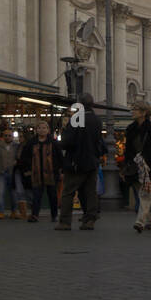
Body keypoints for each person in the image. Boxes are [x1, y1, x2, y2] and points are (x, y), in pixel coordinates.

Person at [58, 94, 106, 231]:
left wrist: (63, 142)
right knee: (90, 192)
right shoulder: (97, 120)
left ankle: (65, 222)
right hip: (92, 161)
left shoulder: (77, 119)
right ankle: (89, 220)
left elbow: (68, 141)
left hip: (76, 161)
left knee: (68, 192)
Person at [125, 101, 151, 232]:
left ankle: (140, 222)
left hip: (150, 167)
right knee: (144, 194)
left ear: (144, 113)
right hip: (135, 167)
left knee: (144, 194)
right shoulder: (130, 129)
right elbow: (128, 149)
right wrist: (126, 164)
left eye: (135, 109)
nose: (132, 111)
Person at [26, 121, 63, 224]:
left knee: (53, 195)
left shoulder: (54, 143)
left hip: (51, 173)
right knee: (36, 195)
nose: (42, 130)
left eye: (44, 128)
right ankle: (35, 215)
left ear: (48, 130)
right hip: (36, 173)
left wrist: (60, 170)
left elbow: (60, 157)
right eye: (40, 128)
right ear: (36, 130)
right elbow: (25, 157)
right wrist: (28, 169)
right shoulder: (31, 143)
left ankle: (54, 215)